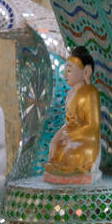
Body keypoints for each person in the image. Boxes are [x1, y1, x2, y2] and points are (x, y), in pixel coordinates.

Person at [44, 46, 101, 181]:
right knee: (57, 150)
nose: (65, 75)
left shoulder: (90, 92)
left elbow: (93, 126)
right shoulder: (70, 94)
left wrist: (70, 135)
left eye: (69, 70)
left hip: (86, 140)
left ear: (86, 72)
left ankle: (73, 168)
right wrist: (56, 138)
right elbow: (68, 123)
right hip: (72, 138)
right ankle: (63, 167)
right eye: (65, 70)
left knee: (71, 151)